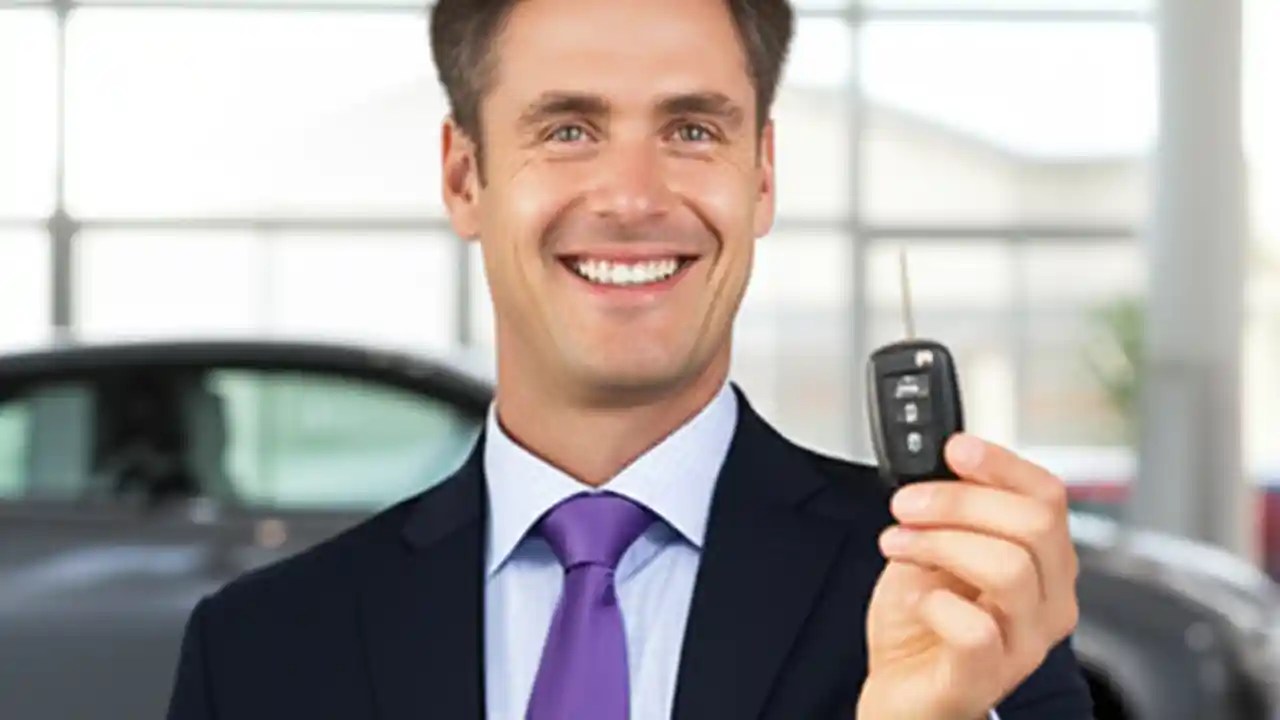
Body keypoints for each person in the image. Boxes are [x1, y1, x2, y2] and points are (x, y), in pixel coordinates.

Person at [165, 0, 1094, 717]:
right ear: (464, 178)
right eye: (568, 130)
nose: (633, 197)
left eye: (692, 130)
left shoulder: (959, 606)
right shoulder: (260, 647)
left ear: (760, 176)